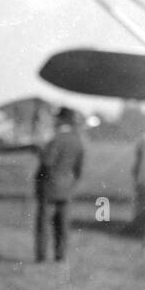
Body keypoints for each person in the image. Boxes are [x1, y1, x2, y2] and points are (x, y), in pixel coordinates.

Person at [34, 106, 84, 264]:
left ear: (62, 120)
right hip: (67, 188)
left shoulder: (55, 139)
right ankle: (60, 256)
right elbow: (78, 169)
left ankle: (41, 256)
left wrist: (40, 149)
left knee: (44, 224)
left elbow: (47, 161)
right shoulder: (77, 140)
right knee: (62, 225)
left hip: (49, 187)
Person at [131, 119, 145, 242]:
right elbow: (143, 164)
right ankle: (141, 230)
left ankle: (141, 229)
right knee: (144, 205)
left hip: (144, 177)